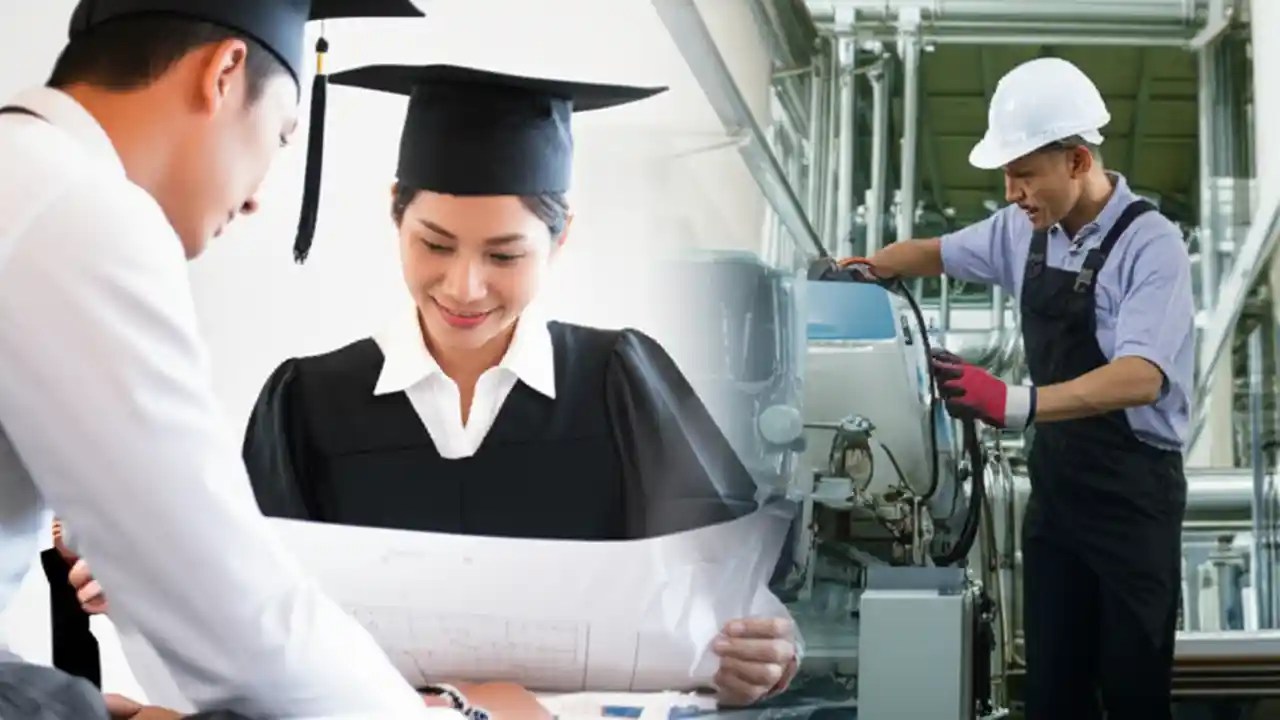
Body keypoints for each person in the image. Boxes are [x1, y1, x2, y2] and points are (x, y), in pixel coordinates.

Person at [70, 62, 804, 709]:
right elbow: (237, 602)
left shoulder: (620, 382)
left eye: (505, 254)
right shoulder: (309, 402)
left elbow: (732, 602)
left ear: (562, 236)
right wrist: (140, 584)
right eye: (434, 244)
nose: (465, 286)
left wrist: (767, 658)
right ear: (395, 212)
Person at [0, 1, 490, 718]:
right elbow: (234, 615)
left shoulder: (24, 172)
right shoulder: (74, 205)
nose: (260, 196)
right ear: (225, 72)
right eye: (281, 136)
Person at [837, 57, 1192, 718]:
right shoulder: (1020, 234)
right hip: (1058, 493)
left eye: (1024, 174)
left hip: (1135, 501)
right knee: (1054, 687)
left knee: (1133, 687)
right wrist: (860, 268)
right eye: (1008, 174)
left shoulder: (1152, 245)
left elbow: (1142, 377)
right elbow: (933, 251)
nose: (1012, 191)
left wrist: (1013, 402)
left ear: (1079, 162)